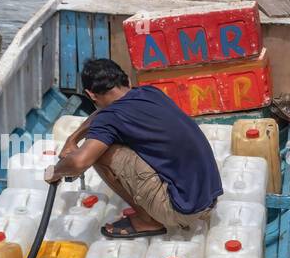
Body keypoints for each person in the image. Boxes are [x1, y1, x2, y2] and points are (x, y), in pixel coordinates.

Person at [47, 57, 221, 236]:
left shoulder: (109, 119)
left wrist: (56, 171)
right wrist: (73, 139)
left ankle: (148, 221)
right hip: (209, 197)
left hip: (182, 210)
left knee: (99, 153)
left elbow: (79, 163)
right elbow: (100, 113)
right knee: (107, 140)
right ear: (127, 80)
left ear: (90, 95)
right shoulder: (149, 92)